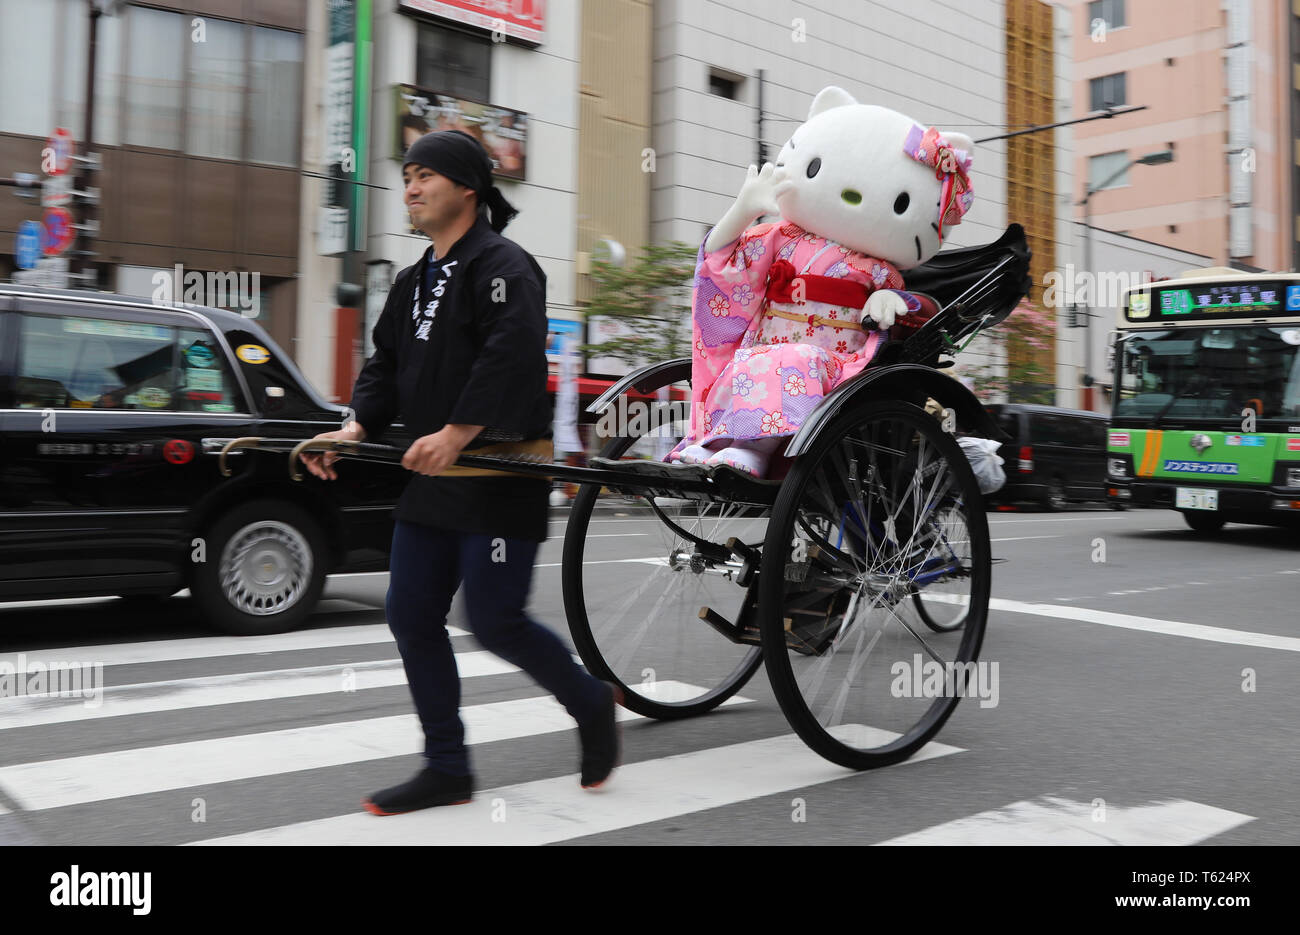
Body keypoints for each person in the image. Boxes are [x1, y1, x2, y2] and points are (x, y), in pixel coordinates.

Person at [300, 130, 621, 815]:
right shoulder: (414, 280)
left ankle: (591, 700)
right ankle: (447, 764)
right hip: (436, 471)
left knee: (495, 619)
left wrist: (456, 430)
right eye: (407, 176)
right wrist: (355, 428)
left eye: (425, 176)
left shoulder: (506, 265)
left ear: (467, 190)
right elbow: (385, 362)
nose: (410, 188)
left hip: (501, 470)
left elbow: (509, 356)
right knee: (411, 612)